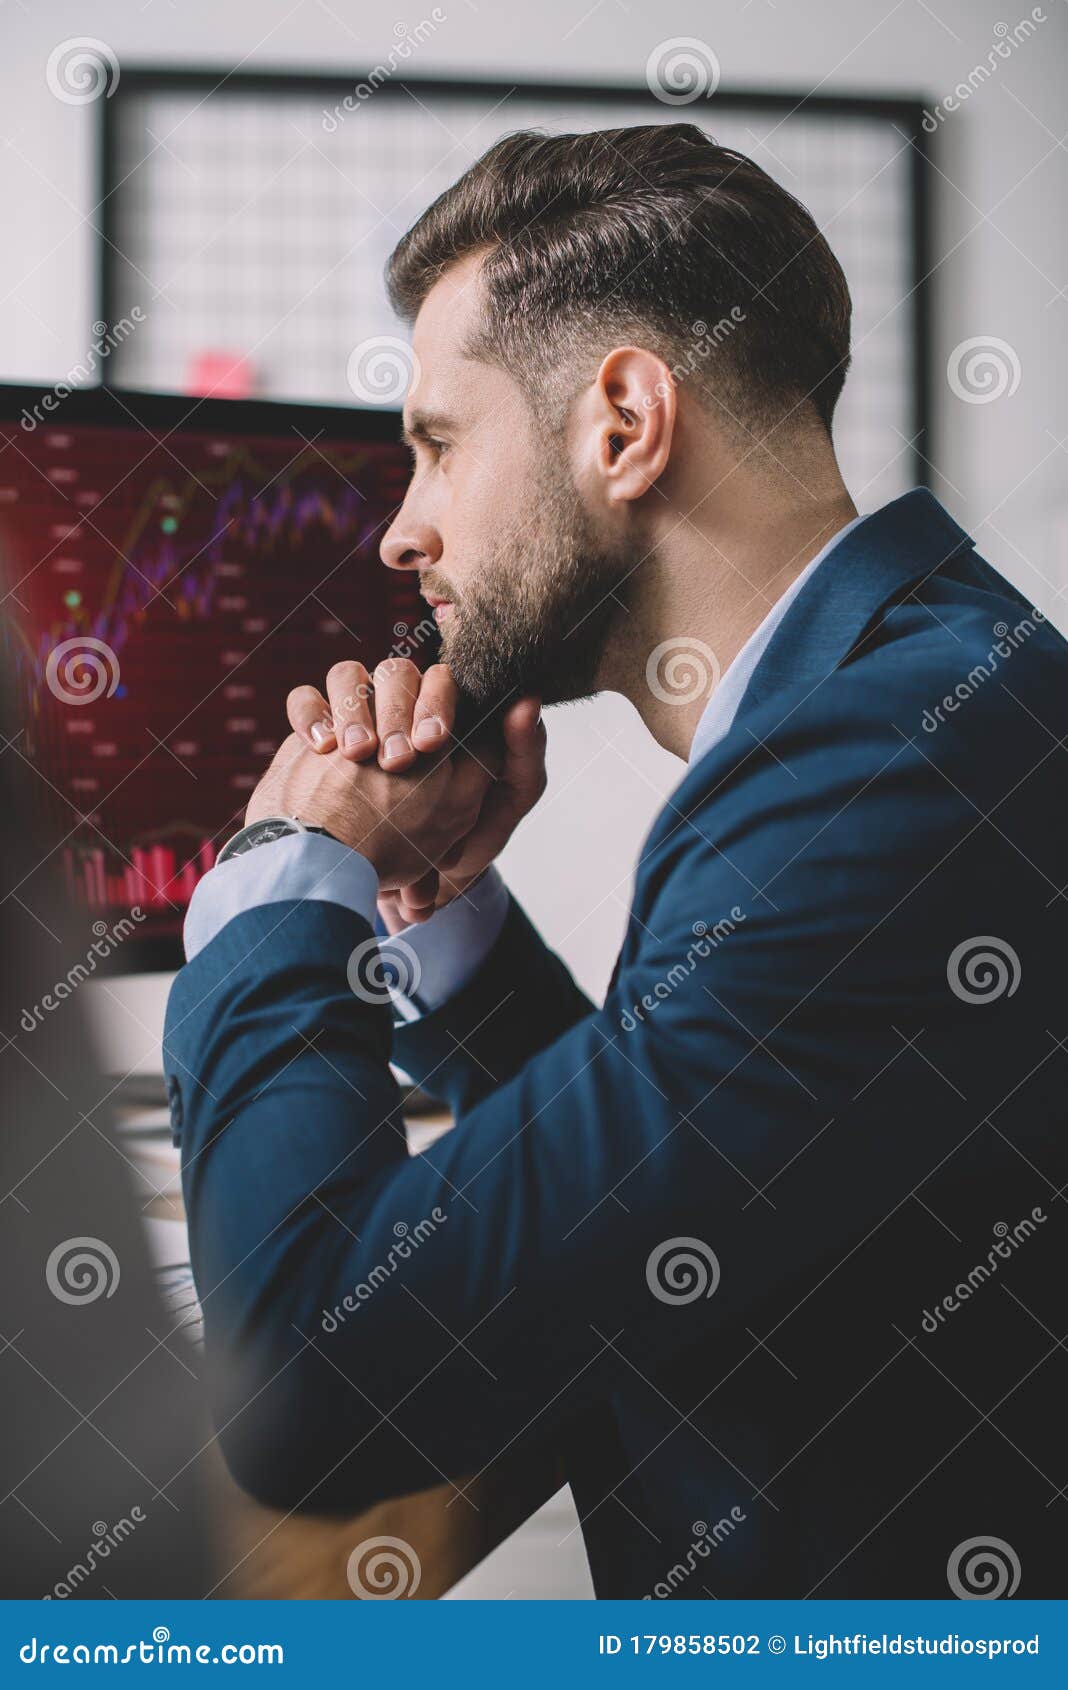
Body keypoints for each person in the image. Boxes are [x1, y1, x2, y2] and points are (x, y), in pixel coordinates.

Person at [163, 126, 1068, 1598]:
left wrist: (287, 875)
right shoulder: (905, 705)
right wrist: (442, 921)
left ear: (625, 422)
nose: (402, 530)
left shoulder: (888, 773)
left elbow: (313, 1391)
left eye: (438, 444)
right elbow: (685, 1193)